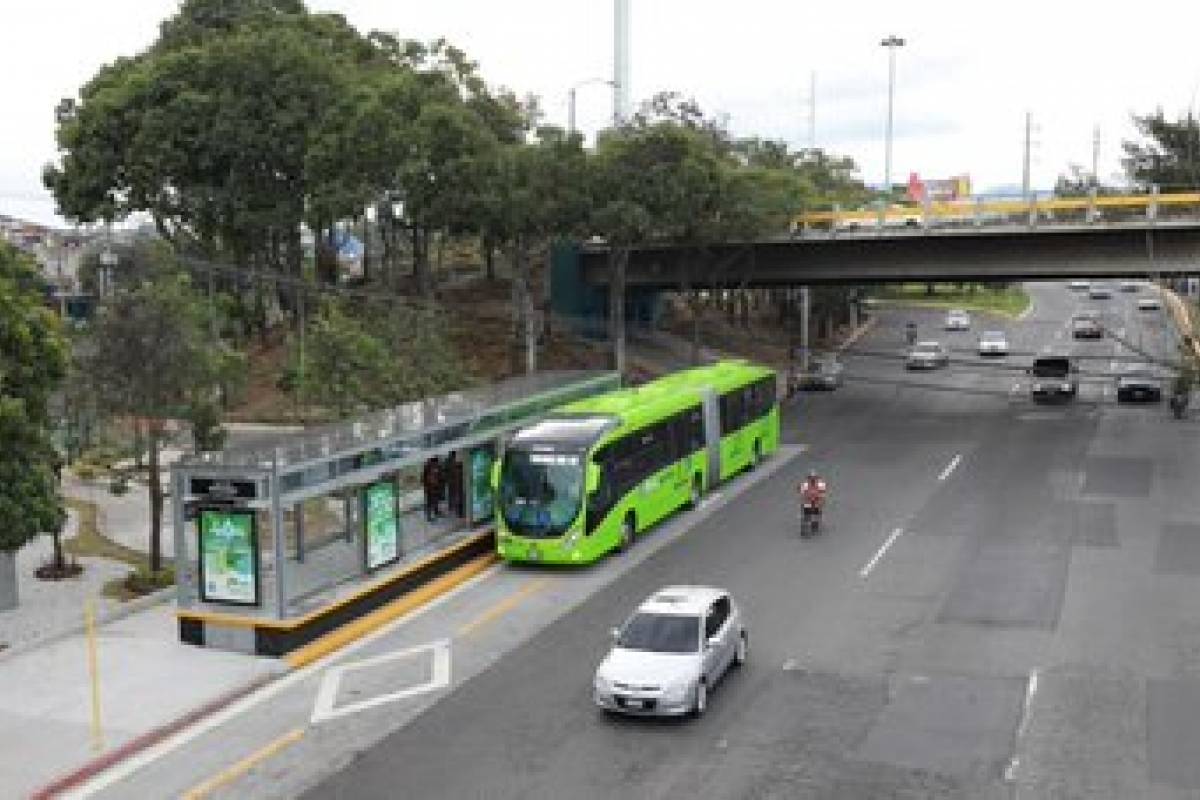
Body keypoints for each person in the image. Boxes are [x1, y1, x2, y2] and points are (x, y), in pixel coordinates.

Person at [422, 456, 443, 521]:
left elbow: (439, 477)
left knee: (436, 500)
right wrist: (426, 486)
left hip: (435, 486)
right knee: (430, 502)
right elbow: (424, 478)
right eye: (436, 463)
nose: (436, 464)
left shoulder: (435, 467)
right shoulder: (428, 468)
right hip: (430, 487)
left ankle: (436, 512)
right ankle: (429, 517)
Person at [445, 451, 464, 518]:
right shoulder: (455, 464)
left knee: (454, 496)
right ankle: (456, 510)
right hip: (455, 484)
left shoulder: (448, 462)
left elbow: (446, 472)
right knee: (456, 497)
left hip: (453, 483)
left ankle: (453, 508)